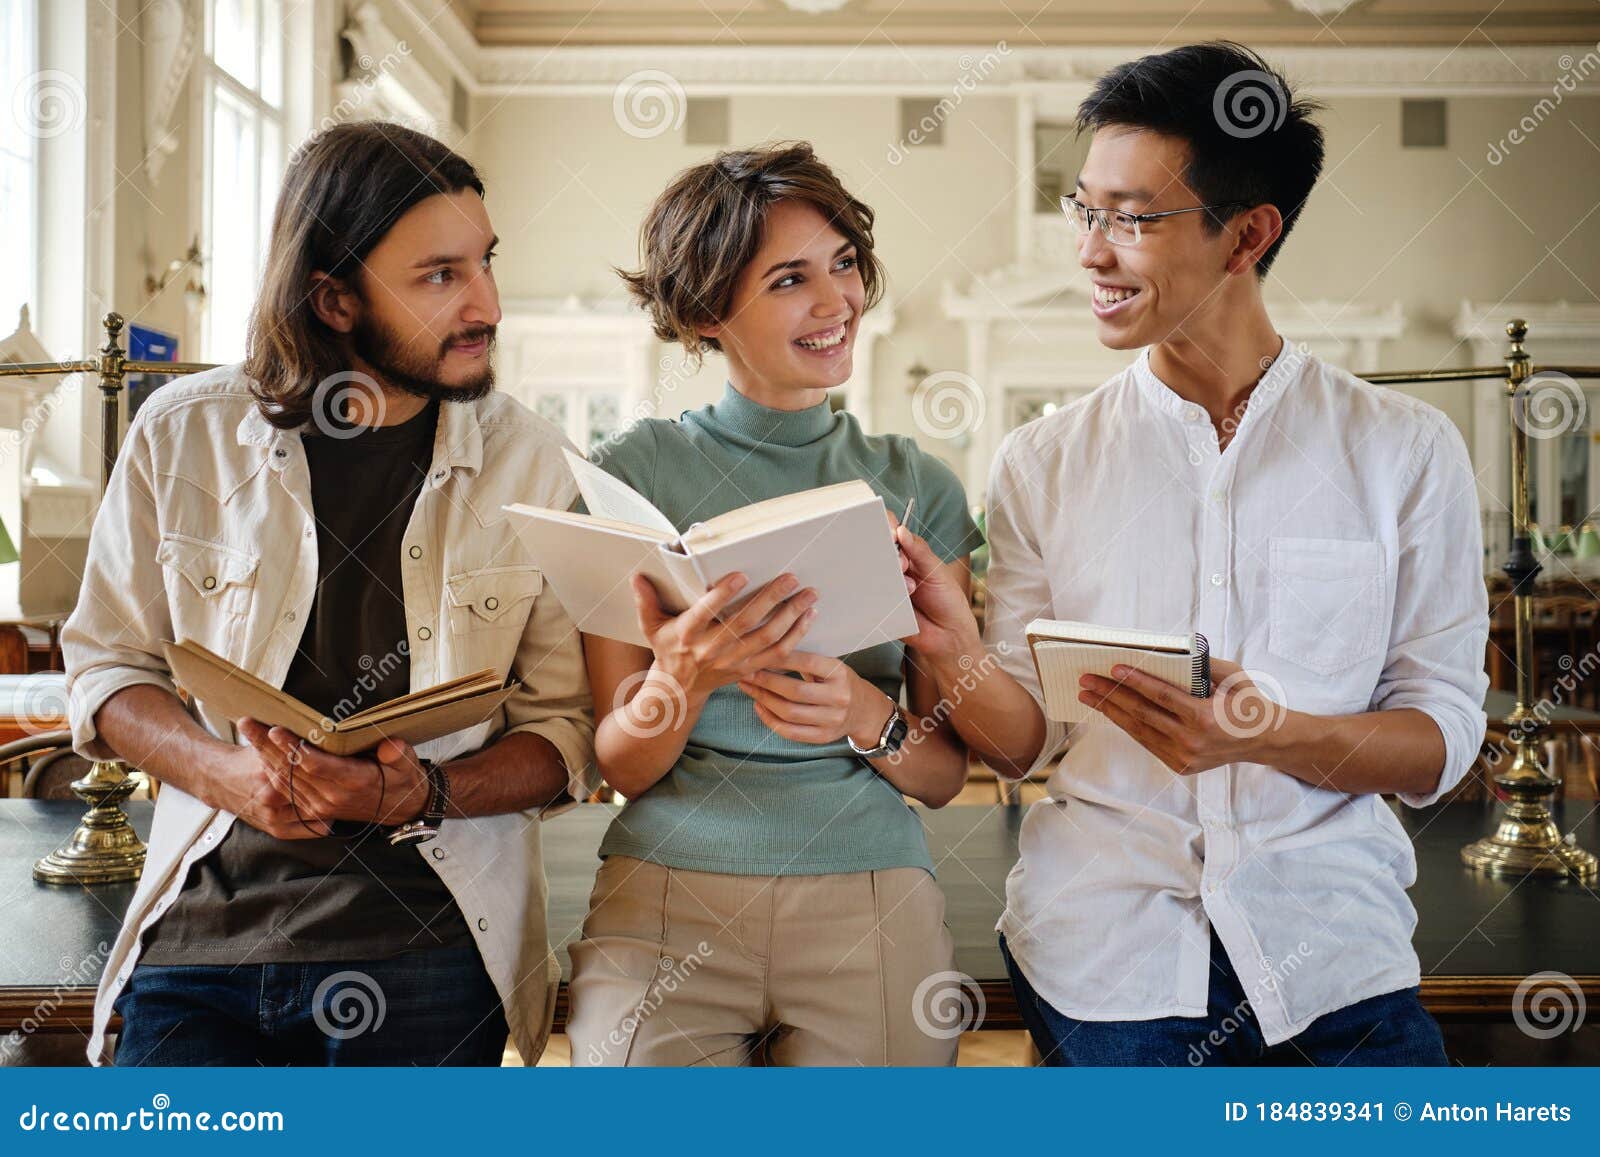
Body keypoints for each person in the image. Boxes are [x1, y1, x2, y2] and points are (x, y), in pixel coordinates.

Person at [893, 43, 1489, 1065]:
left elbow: (1440, 739)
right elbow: (1026, 741)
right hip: (1106, 958)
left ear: (1246, 234)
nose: (1087, 252)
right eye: (1085, 211)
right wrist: (951, 650)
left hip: (1333, 960)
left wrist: (1264, 734)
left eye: (1131, 218)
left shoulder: (1404, 451)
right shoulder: (1040, 459)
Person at [63, 122, 596, 1066]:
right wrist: (225, 773)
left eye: (485, 261)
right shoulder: (180, 434)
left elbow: (563, 732)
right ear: (336, 299)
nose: (489, 304)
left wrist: (416, 789)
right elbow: (108, 668)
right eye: (441, 275)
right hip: (198, 946)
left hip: (429, 946)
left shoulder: (533, 460)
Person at [564, 142, 986, 1066]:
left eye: (844, 265)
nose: (835, 302)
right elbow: (620, 764)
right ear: (710, 311)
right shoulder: (630, 476)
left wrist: (868, 713)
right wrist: (680, 677)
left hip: (872, 886)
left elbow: (947, 776)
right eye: (791, 279)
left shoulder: (920, 488)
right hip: (666, 890)